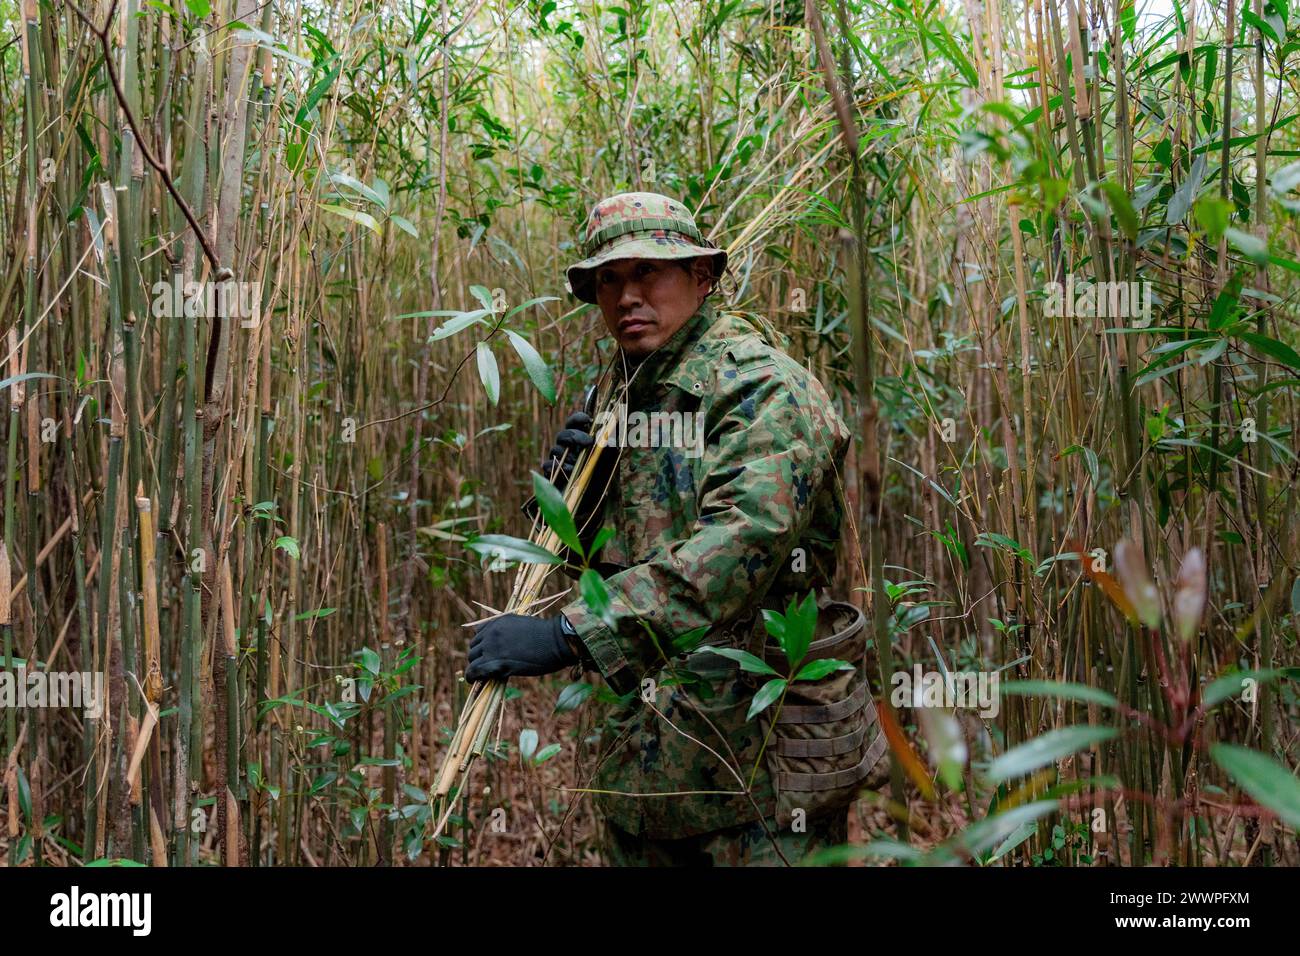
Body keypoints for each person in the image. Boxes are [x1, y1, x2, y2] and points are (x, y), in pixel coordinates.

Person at [466, 192, 863, 865]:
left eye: (649, 271)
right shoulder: (622, 393)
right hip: (647, 771)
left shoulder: (762, 389)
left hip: (759, 775)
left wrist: (569, 634)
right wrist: (576, 515)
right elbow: (616, 562)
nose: (627, 296)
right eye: (610, 280)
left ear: (702, 278)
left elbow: (737, 549)